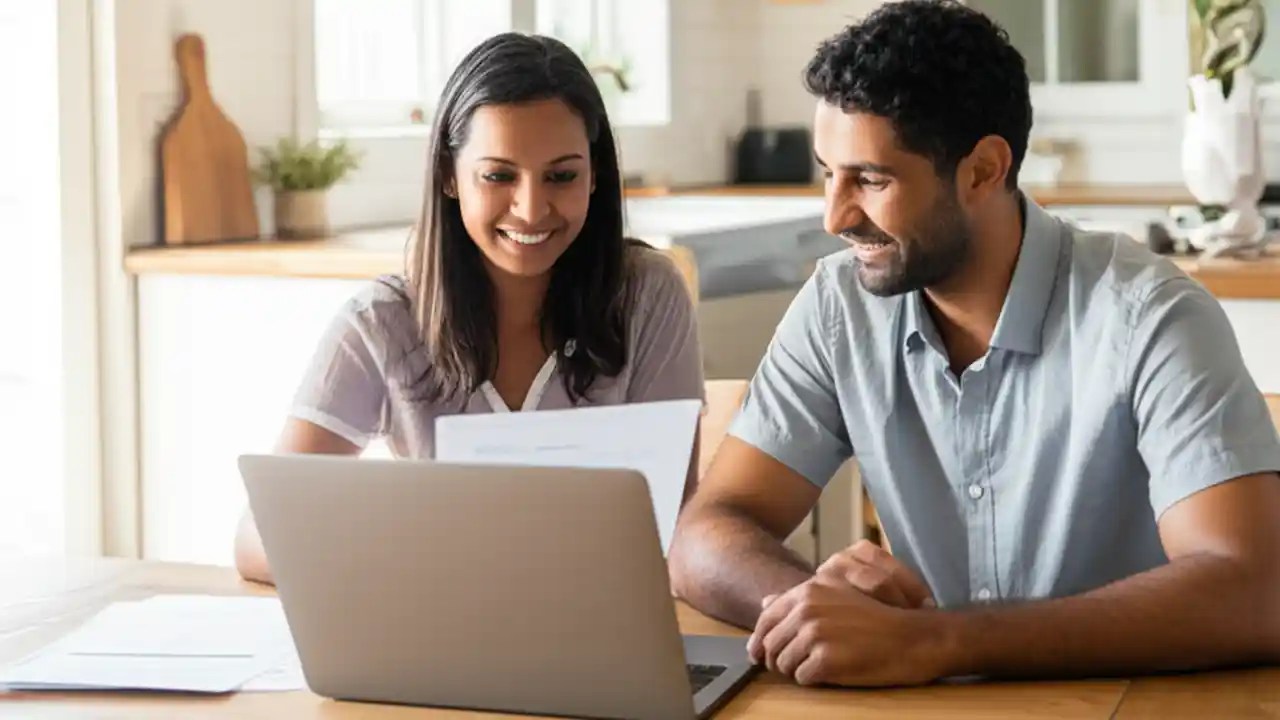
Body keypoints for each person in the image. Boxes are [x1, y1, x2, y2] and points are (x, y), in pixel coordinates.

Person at [669, 0, 1280, 688]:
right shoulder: (838, 306)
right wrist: (805, 609)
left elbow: (1253, 592)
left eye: (871, 180)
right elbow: (706, 532)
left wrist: (936, 643)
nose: (835, 216)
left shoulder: (1152, 316)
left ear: (984, 170)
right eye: (827, 172)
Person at [235, 33, 704, 584]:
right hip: (444, 633)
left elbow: (676, 521)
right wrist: (404, 546)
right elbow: (257, 536)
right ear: (448, 177)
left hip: (606, 630)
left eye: (562, 175)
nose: (530, 209)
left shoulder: (647, 295)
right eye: (498, 175)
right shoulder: (380, 323)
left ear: (595, 176)